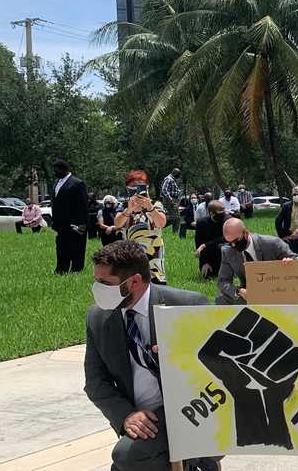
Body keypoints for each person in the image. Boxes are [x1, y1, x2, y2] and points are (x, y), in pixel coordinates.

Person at [83, 240, 217, 471]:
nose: (97, 289)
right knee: (129, 459)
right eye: (96, 281)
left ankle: (197, 459)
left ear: (134, 281)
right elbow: (96, 382)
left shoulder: (186, 307)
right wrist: (126, 416)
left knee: (126, 456)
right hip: (139, 415)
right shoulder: (98, 317)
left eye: (105, 283)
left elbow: (220, 368)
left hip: (187, 409)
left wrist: (180, 358)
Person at [215, 217, 298, 305]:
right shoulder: (227, 251)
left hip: (278, 290)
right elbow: (223, 281)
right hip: (250, 294)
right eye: (229, 243)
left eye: (236, 240)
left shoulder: (272, 243)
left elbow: (297, 261)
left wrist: (290, 262)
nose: (234, 245)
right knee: (221, 299)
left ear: (246, 233)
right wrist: (239, 291)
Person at [114, 173, 168, 285]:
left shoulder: (156, 204)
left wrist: (150, 208)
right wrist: (129, 210)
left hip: (154, 250)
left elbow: (161, 223)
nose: (137, 188)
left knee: (157, 283)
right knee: (134, 283)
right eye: (133, 185)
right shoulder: (123, 205)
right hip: (132, 250)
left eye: (141, 185)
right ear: (128, 188)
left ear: (146, 187)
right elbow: (118, 224)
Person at [50, 159, 89, 274]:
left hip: (75, 223)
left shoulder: (77, 183)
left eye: (56, 170)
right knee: (61, 247)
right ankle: (61, 268)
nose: (54, 173)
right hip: (61, 224)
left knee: (76, 248)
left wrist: (83, 224)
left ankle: (76, 269)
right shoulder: (57, 183)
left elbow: (83, 205)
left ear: (64, 169)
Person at [193, 200, 228, 278]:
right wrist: (204, 262)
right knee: (208, 275)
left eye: (223, 212)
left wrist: (205, 245)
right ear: (211, 213)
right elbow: (198, 243)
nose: (223, 215)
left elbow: (225, 238)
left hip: (224, 253)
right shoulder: (202, 223)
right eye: (220, 213)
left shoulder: (227, 220)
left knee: (222, 247)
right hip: (209, 255)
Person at [160, 169, 182, 234]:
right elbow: (164, 189)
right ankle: (159, 225)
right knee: (174, 217)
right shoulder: (168, 179)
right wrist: (170, 199)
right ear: (175, 173)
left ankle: (175, 233)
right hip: (170, 201)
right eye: (178, 174)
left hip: (173, 200)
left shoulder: (172, 179)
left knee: (177, 218)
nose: (179, 176)